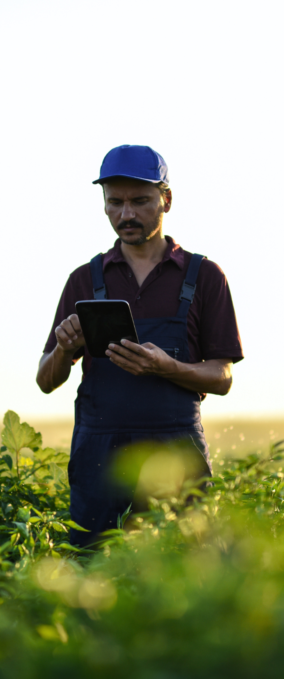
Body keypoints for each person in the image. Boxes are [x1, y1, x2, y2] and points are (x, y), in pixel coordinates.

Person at [36, 144, 243, 546]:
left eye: (140, 201)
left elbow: (222, 376)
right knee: (90, 567)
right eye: (115, 202)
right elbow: (46, 381)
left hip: (176, 454)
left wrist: (166, 368)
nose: (126, 214)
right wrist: (63, 349)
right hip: (100, 458)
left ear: (166, 199)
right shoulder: (84, 279)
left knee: (185, 565)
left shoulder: (204, 277)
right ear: (104, 204)